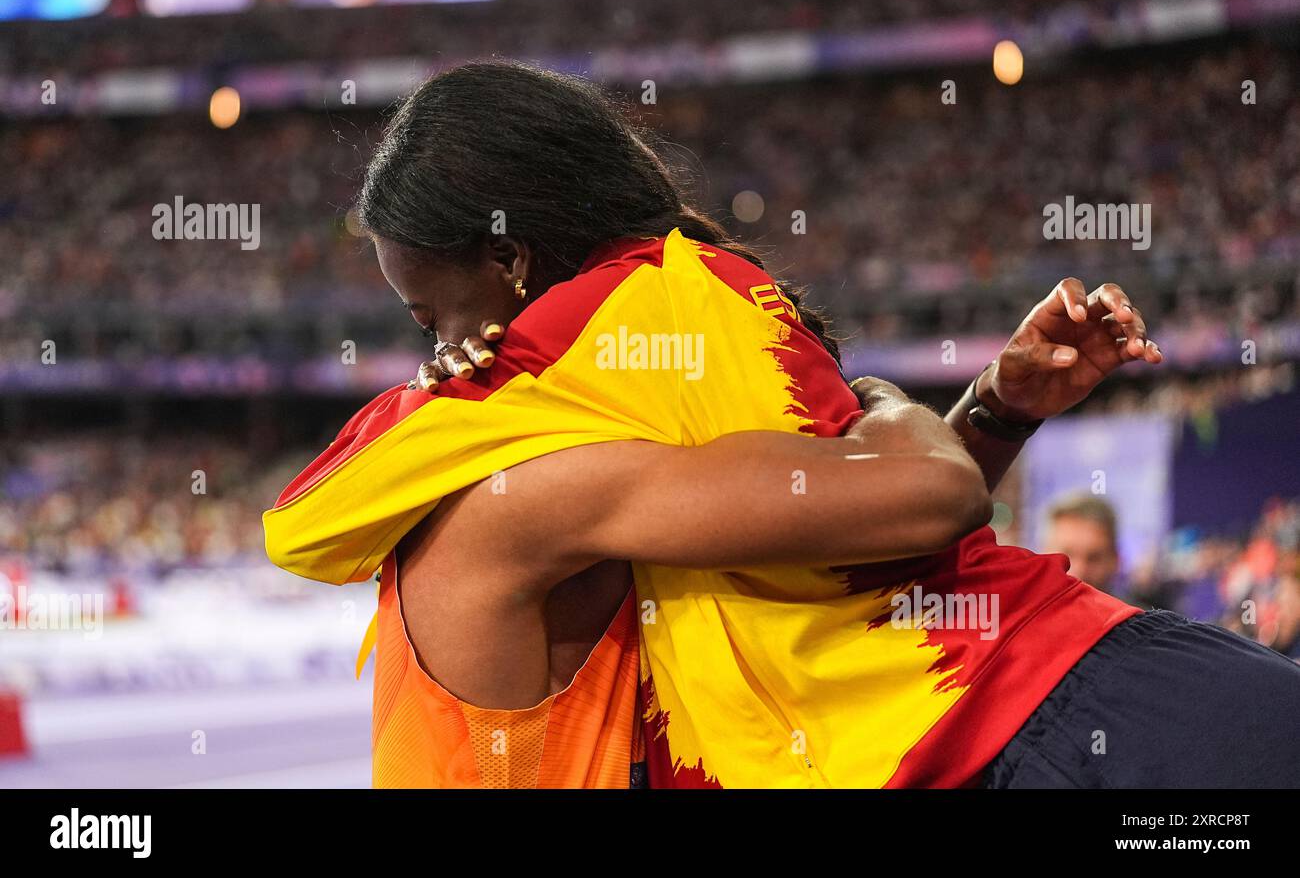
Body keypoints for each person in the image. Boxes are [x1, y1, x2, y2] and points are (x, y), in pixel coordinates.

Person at [265, 61, 1300, 788]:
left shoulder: (633, 355)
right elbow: (892, 502)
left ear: (514, 266)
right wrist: (892, 407)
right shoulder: (551, 443)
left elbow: (860, 534)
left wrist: (974, 411)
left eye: (432, 315)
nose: (447, 345)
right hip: (1032, 716)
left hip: (1034, 724)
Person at [1043, 492, 1124, 596]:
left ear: (1115, 560)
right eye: (1067, 557)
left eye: (1094, 558)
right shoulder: (1021, 610)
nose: (1080, 571)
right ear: (1044, 554)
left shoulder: (1137, 612)